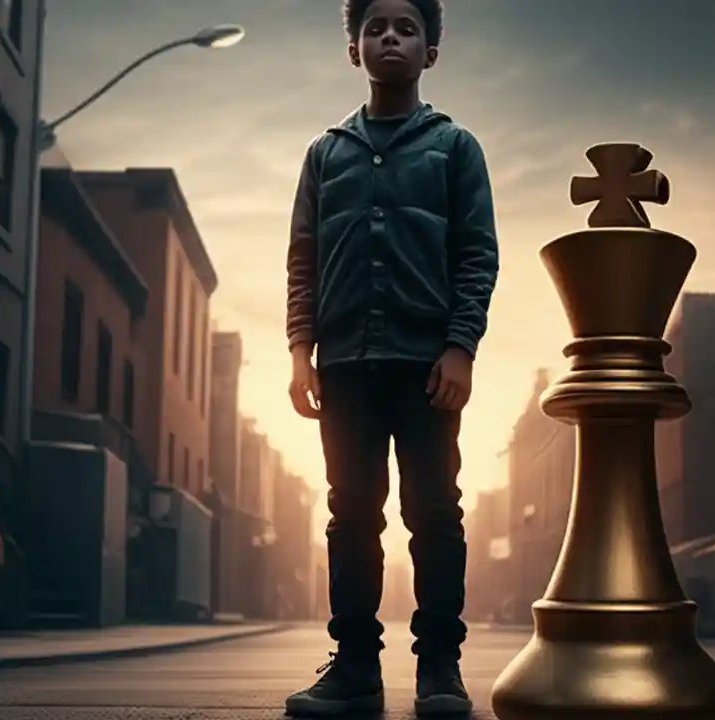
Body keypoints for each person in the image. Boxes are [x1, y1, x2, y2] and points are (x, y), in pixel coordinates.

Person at [282, 0, 499, 715]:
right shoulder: (325, 154)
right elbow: (303, 261)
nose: (391, 38)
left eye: (407, 28)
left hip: (428, 366)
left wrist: (460, 348)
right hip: (344, 364)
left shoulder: (456, 147)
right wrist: (299, 353)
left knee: (434, 513)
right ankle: (354, 667)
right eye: (375, 27)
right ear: (355, 50)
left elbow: (476, 256)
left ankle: (440, 667)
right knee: (350, 514)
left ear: (430, 52)